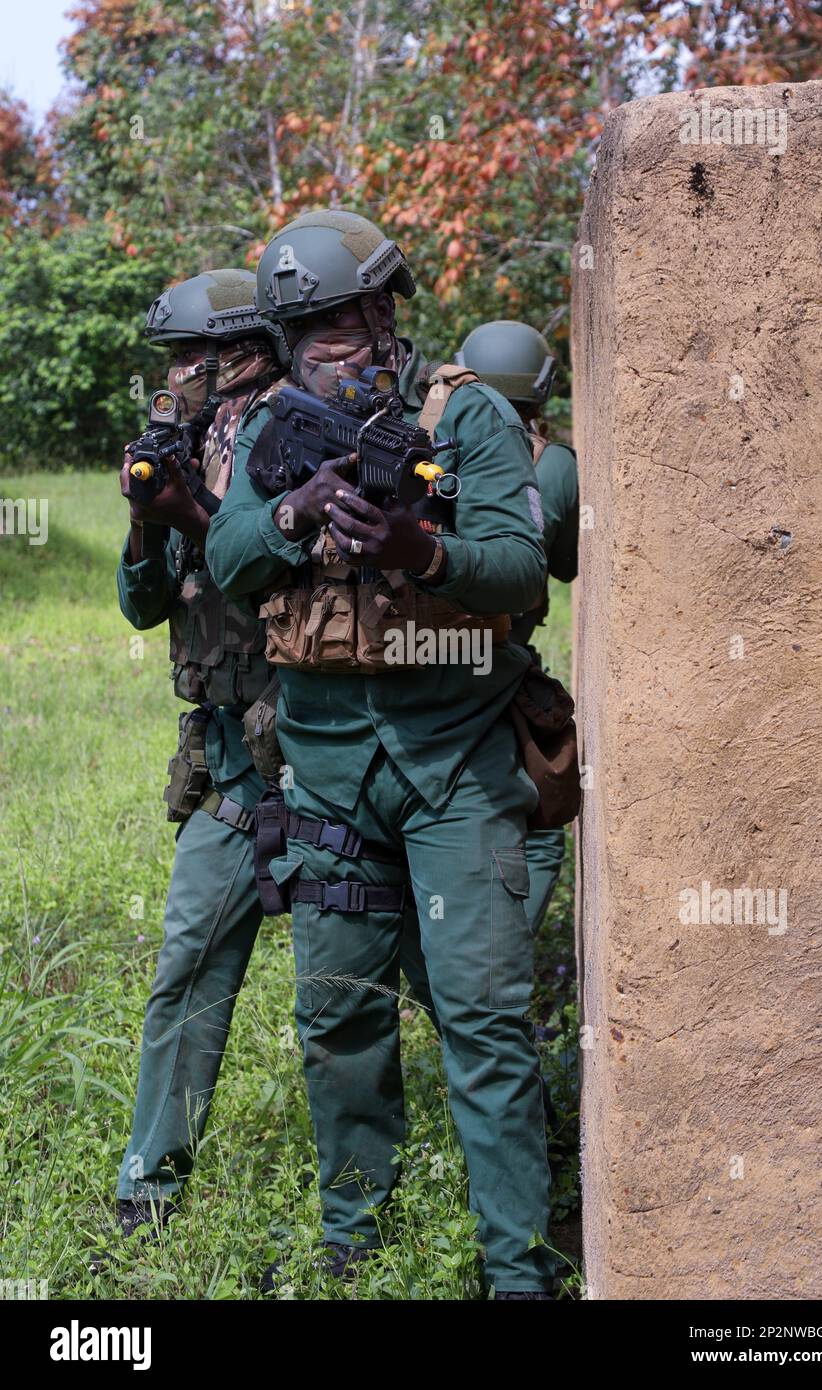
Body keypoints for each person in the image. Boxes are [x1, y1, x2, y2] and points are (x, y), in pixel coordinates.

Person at [205, 209, 558, 1299]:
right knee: (339, 1013)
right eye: (302, 328)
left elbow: (521, 573)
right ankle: (355, 1242)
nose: (326, 345)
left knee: (485, 1018)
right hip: (328, 769)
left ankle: (516, 1272)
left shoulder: (470, 416)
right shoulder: (277, 426)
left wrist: (422, 546)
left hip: (455, 763)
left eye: (341, 321)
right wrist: (290, 517)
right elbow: (226, 560)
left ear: (382, 310)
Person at [109, 269, 287, 1245]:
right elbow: (142, 606)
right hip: (228, 760)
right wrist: (147, 509)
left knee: (429, 967)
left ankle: (536, 1121)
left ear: (240, 352)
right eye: (168, 359)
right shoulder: (183, 444)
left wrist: (191, 505)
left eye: (188, 356)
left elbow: (265, 564)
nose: (173, 376)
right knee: (185, 968)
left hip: (319, 749)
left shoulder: (287, 433)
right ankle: (149, 1192)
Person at [456, 320, 579, 933]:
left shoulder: (437, 444)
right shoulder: (554, 464)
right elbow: (566, 565)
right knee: (539, 830)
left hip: (425, 658)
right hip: (505, 669)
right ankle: (504, 965)